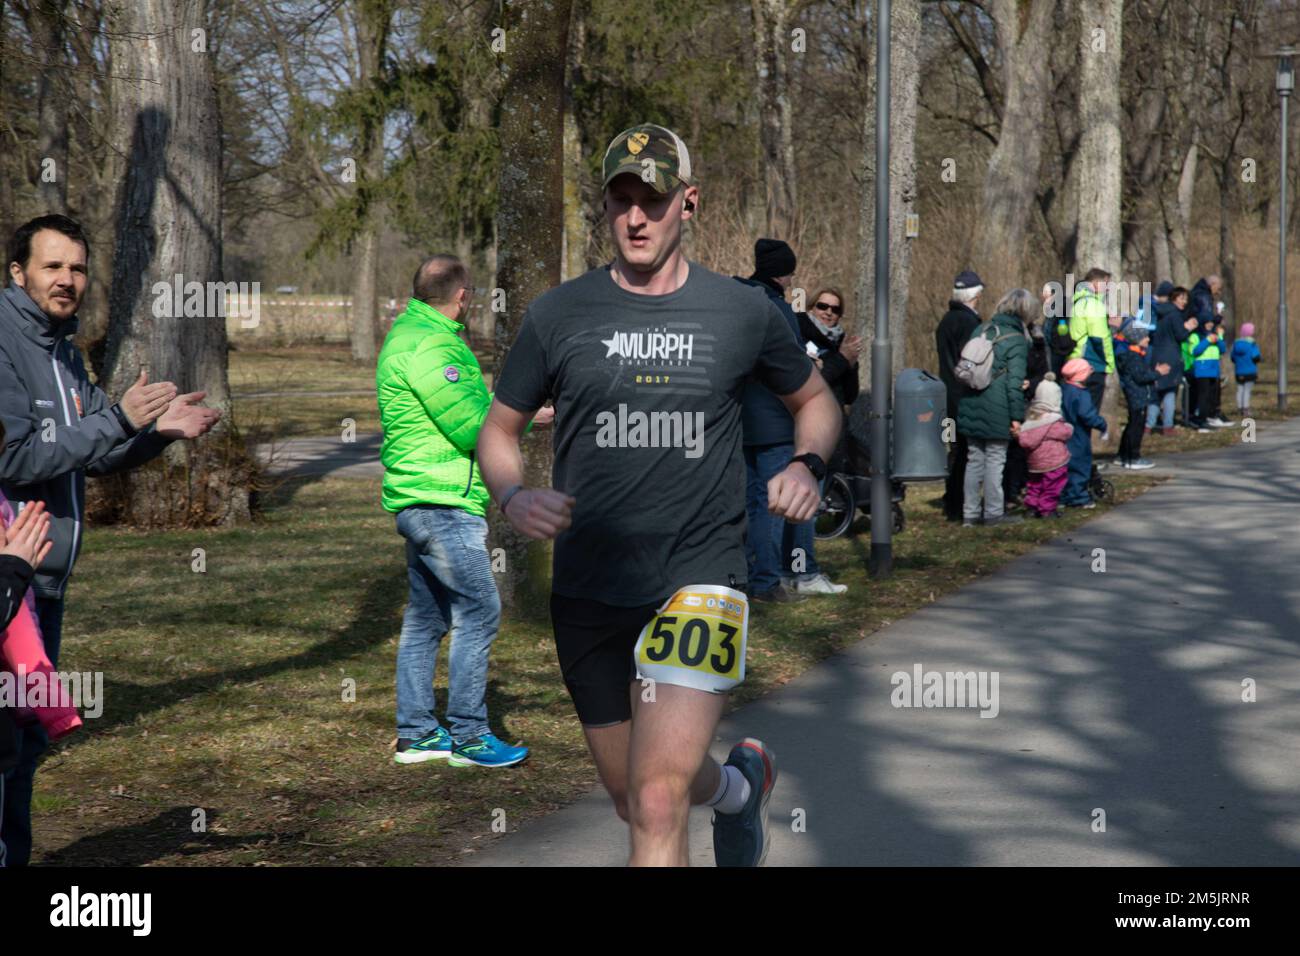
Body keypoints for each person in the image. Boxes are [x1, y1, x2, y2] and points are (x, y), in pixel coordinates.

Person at [477, 122, 841, 866]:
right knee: (628, 793)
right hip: (590, 583)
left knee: (654, 800)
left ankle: (719, 795)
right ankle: (739, 790)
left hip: (701, 577)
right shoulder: (559, 314)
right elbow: (498, 430)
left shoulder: (742, 313)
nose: (637, 217)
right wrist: (513, 497)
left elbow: (818, 401)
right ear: (605, 208)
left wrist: (806, 465)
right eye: (621, 200)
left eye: (654, 197)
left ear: (689, 202)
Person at [0, 214, 221, 866]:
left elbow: (93, 450)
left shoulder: (64, 350)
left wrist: (154, 433)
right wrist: (122, 418)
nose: (67, 280)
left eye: (76, 268)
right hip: (9, 593)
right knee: (5, 747)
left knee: (27, 743)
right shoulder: (5, 343)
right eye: (52, 266)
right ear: (18, 273)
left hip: (47, 588)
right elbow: (14, 458)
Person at [377, 255, 550, 768]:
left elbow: (469, 411)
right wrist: (524, 418)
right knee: (479, 610)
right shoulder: (434, 345)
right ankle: (470, 737)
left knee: (427, 618)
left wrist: (516, 412)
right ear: (462, 296)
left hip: (423, 498)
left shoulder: (412, 333)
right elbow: (472, 427)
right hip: (442, 502)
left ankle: (418, 735)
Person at [736, 241, 845, 599]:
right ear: (783, 274)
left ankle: (758, 576)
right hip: (775, 420)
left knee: (755, 503)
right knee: (778, 504)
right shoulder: (778, 309)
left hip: (741, 422)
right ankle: (772, 580)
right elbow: (793, 368)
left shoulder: (734, 299)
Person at [955, 288, 1033, 528]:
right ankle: (993, 514)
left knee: (974, 460)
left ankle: (969, 514)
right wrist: (1017, 417)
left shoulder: (982, 329)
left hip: (970, 402)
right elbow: (1013, 384)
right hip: (997, 408)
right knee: (995, 461)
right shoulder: (1016, 340)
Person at [935, 271, 984, 522]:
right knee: (966, 451)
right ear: (975, 295)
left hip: (947, 395)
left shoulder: (946, 320)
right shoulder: (968, 324)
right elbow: (972, 362)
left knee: (954, 449)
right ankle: (957, 503)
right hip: (963, 398)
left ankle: (951, 499)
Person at [1016, 374, 1073, 519]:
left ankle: (1031, 507)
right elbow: (1064, 433)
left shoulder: (1030, 419)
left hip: (1034, 462)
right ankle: (1047, 509)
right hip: (1054, 461)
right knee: (1053, 486)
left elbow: (1025, 440)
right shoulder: (1052, 421)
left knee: (1034, 484)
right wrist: (1069, 427)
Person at [1114, 325, 1170, 470]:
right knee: (1136, 427)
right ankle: (1133, 457)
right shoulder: (1133, 356)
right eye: (1145, 337)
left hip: (1137, 395)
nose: (1148, 339)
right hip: (1137, 396)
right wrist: (1158, 373)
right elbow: (1140, 377)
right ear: (1137, 339)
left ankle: (1123, 455)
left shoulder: (1136, 355)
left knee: (1132, 425)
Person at [1146, 281, 1196, 435]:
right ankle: (1168, 426)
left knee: (1155, 392)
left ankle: (1148, 425)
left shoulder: (1159, 312)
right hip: (1172, 356)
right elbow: (1180, 336)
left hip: (1157, 354)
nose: (1185, 302)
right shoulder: (1175, 315)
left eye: (1186, 299)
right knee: (1169, 392)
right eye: (1181, 298)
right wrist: (1188, 327)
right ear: (1174, 298)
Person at [1059, 359, 1109, 509]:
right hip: (1078, 434)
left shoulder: (1063, 389)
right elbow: (1087, 415)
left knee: (1063, 467)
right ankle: (1078, 498)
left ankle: (1062, 496)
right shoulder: (1081, 394)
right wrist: (1102, 425)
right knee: (1080, 466)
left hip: (1062, 434)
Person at [799, 288, 861, 409]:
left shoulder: (841, 342)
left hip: (837, 419)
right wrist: (842, 358)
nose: (828, 312)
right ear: (811, 308)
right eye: (822, 306)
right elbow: (811, 385)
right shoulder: (800, 335)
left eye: (835, 309)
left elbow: (849, 397)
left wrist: (851, 365)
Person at [1069, 268, 1117, 412]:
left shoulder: (1077, 301)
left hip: (1075, 360)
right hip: (1091, 364)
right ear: (1096, 283)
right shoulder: (1093, 305)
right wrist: (1109, 363)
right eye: (1106, 284)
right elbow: (1099, 339)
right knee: (1088, 414)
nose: (1108, 289)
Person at [1188, 321, 1233, 429]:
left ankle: (1212, 416)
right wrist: (1207, 341)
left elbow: (1222, 349)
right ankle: (1201, 420)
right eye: (1207, 322)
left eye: (1211, 323)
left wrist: (1220, 337)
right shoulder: (1195, 336)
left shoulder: (1215, 335)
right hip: (1202, 370)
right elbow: (1194, 351)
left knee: (1213, 396)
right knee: (1203, 396)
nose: (1210, 325)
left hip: (1214, 369)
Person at [1230, 323, 1262, 416]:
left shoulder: (1236, 344)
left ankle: (1239, 408)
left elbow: (1232, 358)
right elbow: (1256, 357)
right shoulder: (1252, 344)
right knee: (1247, 390)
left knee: (1240, 390)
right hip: (1250, 371)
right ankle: (1246, 409)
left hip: (1239, 371)